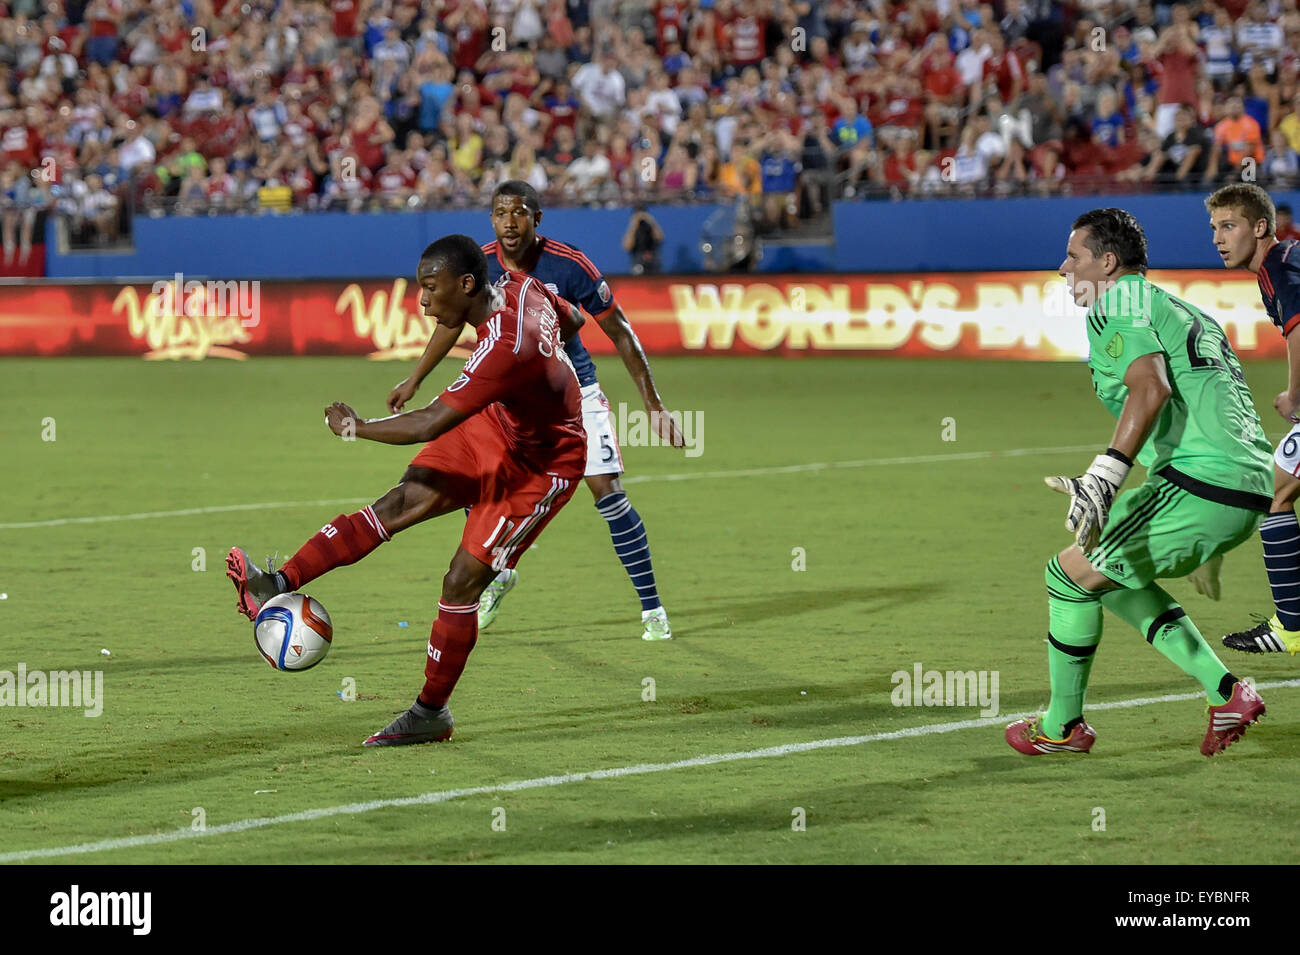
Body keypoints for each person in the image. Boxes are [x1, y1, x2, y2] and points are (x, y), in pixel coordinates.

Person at [226, 235, 587, 745]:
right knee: (398, 502)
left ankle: (430, 713)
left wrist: (356, 426)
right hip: (496, 427)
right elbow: (572, 320)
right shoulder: (520, 287)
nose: (422, 301)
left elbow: (429, 424)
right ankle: (278, 583)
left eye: (429, 289)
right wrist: (561, 375)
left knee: (461, 582)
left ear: (466, 285)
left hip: (541, 466)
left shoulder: (506, 345)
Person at [1006, 208, 1269, 757]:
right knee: (1103, 574)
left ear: (1107, 262)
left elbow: (1149, 389)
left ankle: (1061, 728)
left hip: (1203, 481)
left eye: (1073, 256)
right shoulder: (1182, 309)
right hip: (1243, 481)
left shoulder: (1118, 302)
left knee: (1068, 575)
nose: (1062, 269)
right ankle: (1226, 693)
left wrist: (1106, 476)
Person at [387, 180, 684, 641]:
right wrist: (416, 378)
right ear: (491, 218)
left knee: (608, 493)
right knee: (478, 475)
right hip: (511, 399)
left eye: (520, 212)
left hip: (574, 394)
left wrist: (654, 404)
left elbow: (620, 331)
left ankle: (652, 609)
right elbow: (451, 321)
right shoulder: (478, 263)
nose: (510, 221)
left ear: (536, 219)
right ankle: (498, 573)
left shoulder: (569, 264)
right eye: (501, 212)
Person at [1207, 184, 1300, 655]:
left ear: (1259, 227)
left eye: (1229, 226)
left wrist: (1295, 394)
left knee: (1274, 491)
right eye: (1214, 229)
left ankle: (1294, 626)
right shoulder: (1284, 262)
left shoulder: (1279, 266)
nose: (1219, 238)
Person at [623, 203, 664, 274]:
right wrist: (634, 224)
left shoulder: (650, 226)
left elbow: (660, 237)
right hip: (638, 259)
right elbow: (627, 246)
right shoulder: (633, 229)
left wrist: (651, 221)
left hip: (652, 259)